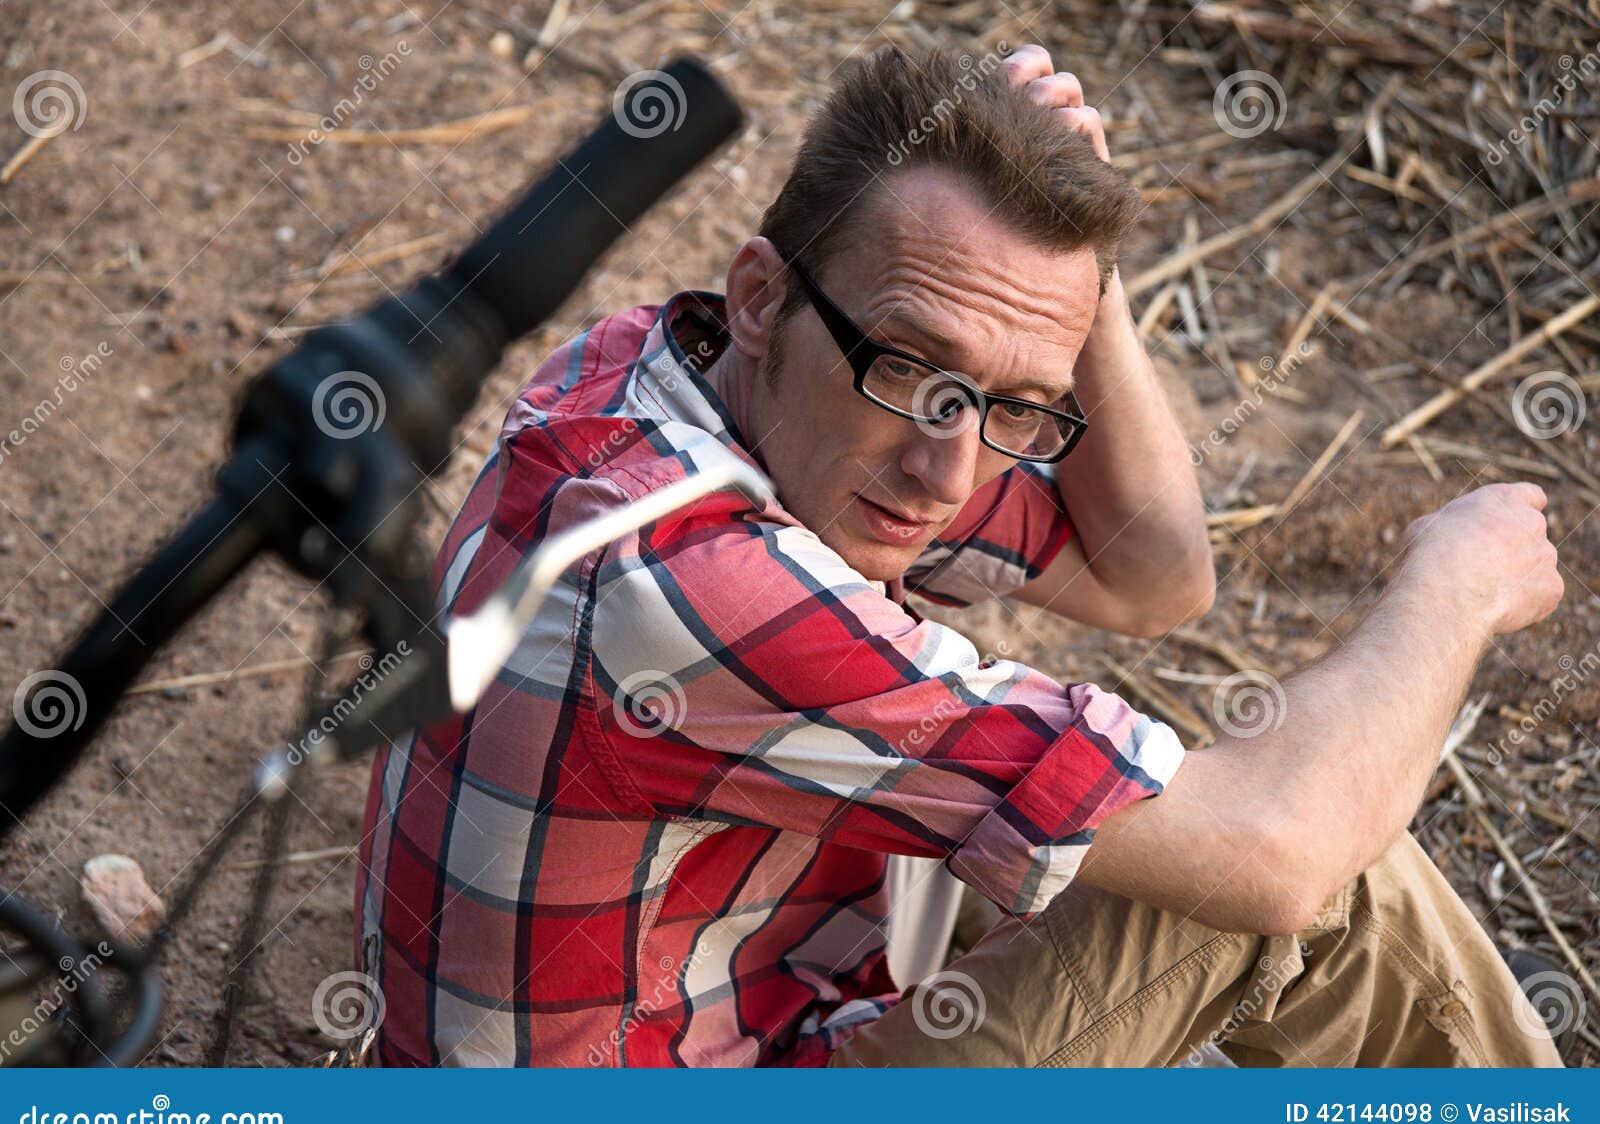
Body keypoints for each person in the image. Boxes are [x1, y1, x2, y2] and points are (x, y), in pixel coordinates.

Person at [352, 42, 1565, 1067]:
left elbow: (1154, 579)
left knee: (1150, 819)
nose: (948, 470)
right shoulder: (696, 584)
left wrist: (1073, 294)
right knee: (1309, 876)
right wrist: (1449, 590)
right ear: (764, 295)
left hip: (732, 1005)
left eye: (1015, 406)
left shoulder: (672, 371)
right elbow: (1282, 854)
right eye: (913, 369)